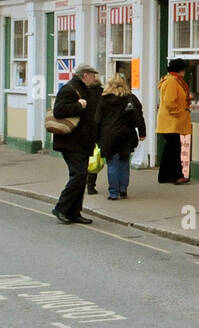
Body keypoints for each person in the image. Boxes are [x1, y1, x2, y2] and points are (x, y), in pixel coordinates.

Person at [50, 63, 102, 225]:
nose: (94, 77)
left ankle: (74, 212)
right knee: (79, 175)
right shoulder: (69, 89)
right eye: (92, 75)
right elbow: (58, 110)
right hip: (71, 142)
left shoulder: (85, 89)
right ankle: (61, 208)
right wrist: (79, 105)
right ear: (85, 75)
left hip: (83, 141)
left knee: (81, 176)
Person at [95, 74, 146, 201]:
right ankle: (123, 189)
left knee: (112, 164)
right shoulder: (130, 98)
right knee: (124, 161)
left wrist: (95, 138)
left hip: (109, 135)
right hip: (126, 134)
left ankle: (113, 193)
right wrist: (142, 132)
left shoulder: (103, 100)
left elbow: (97, 120)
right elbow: (139, 116)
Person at [156, 59, 192, 184]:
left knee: (170, 149)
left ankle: (164, 176)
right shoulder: (172, 82)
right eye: (184, 70)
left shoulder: (174, 80)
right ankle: (176, 176)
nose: (185, 72)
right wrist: (180, 112)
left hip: (170, 121)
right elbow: (170, 102)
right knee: (174, 149)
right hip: (171, 121)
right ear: (180, 70)